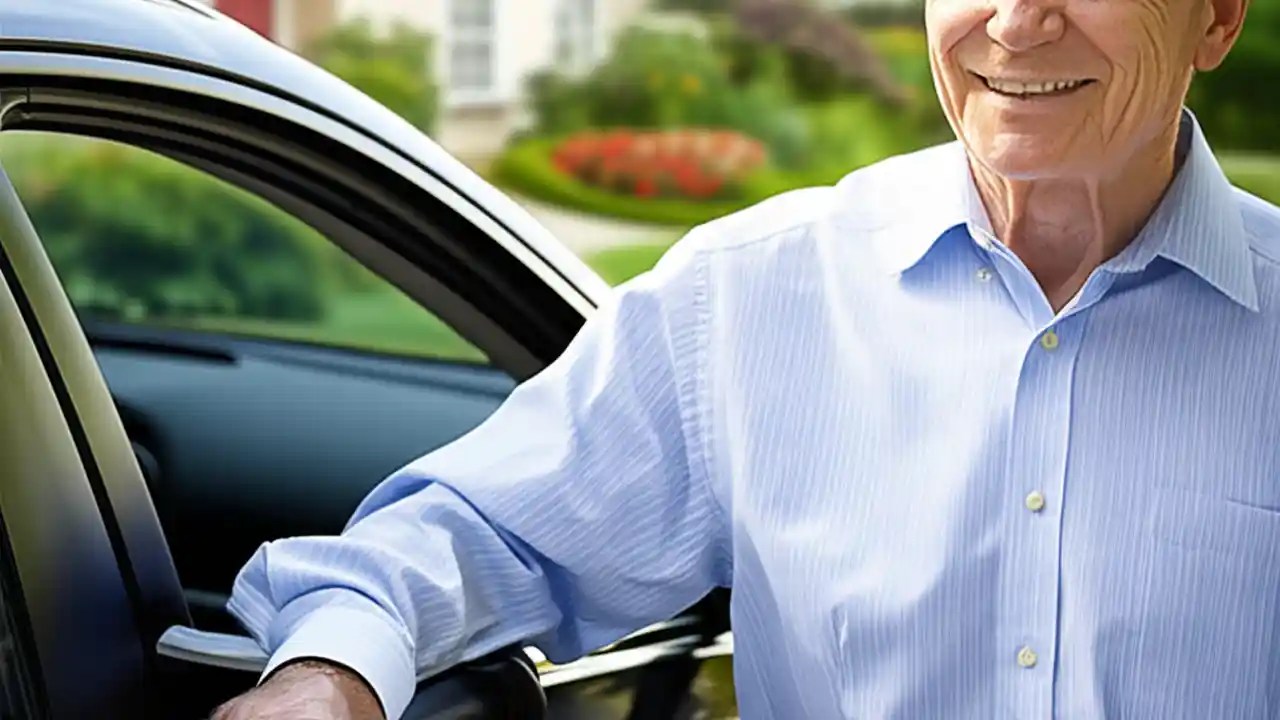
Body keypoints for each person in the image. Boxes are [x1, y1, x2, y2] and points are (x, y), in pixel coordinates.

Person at [215, 0, 1273, 717]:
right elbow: (470, 538)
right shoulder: (752, 296)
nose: (1012, 21)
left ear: (1216, 15)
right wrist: (333, 675)